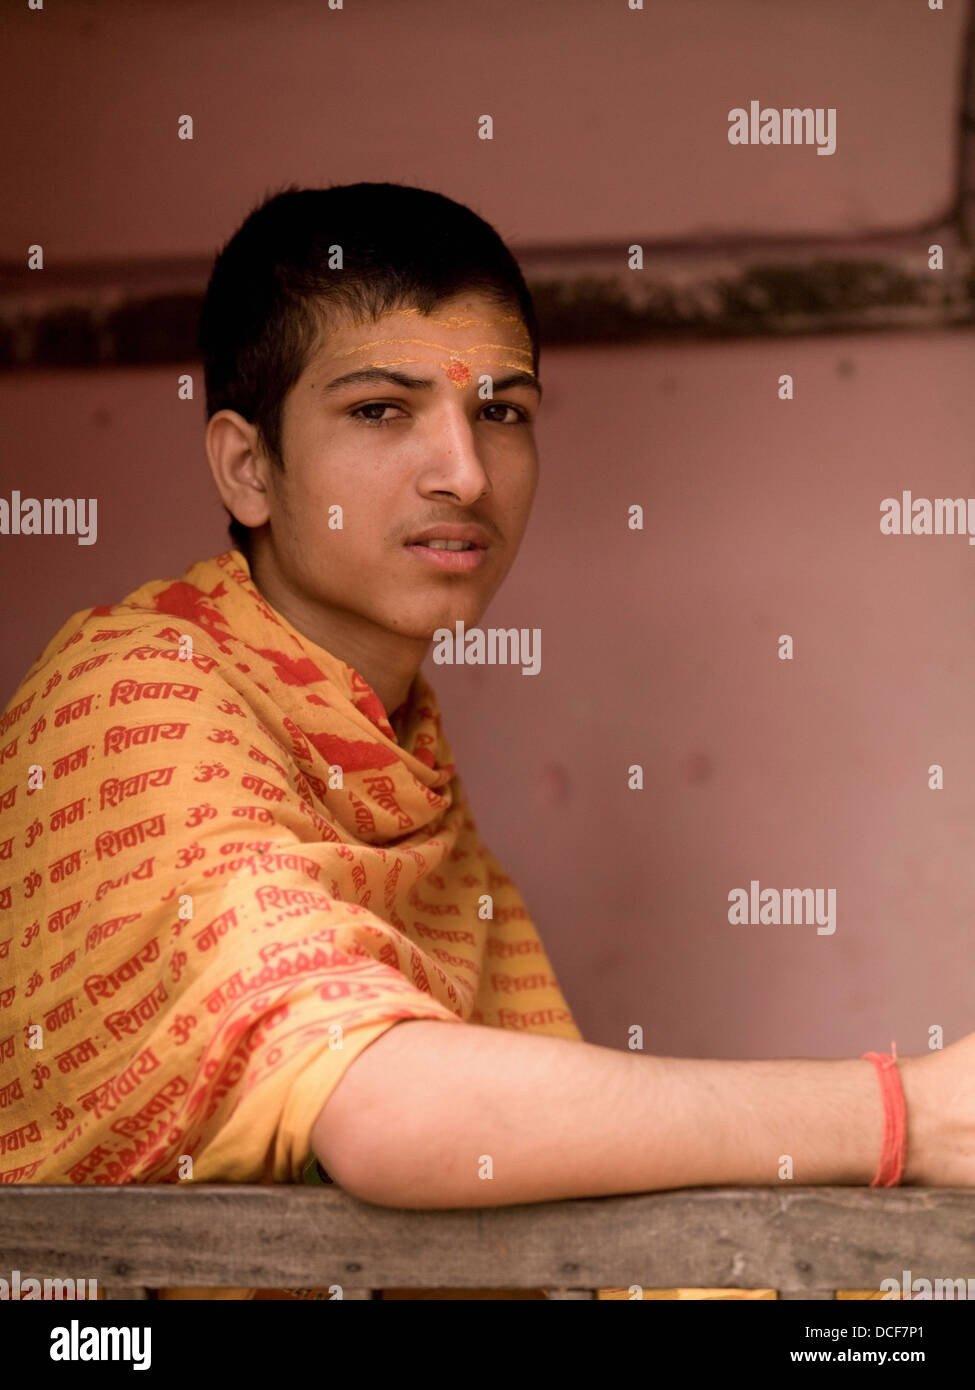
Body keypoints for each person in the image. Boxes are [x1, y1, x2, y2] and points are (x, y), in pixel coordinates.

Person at [1, 184, 971, 1303]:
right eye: (380, 410)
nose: (463, 470)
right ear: (247, 468)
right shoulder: (133, 692)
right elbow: (387, 1110)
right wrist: (906, 1113)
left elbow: (555, 1174)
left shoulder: (395, 750)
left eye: (501, 409)